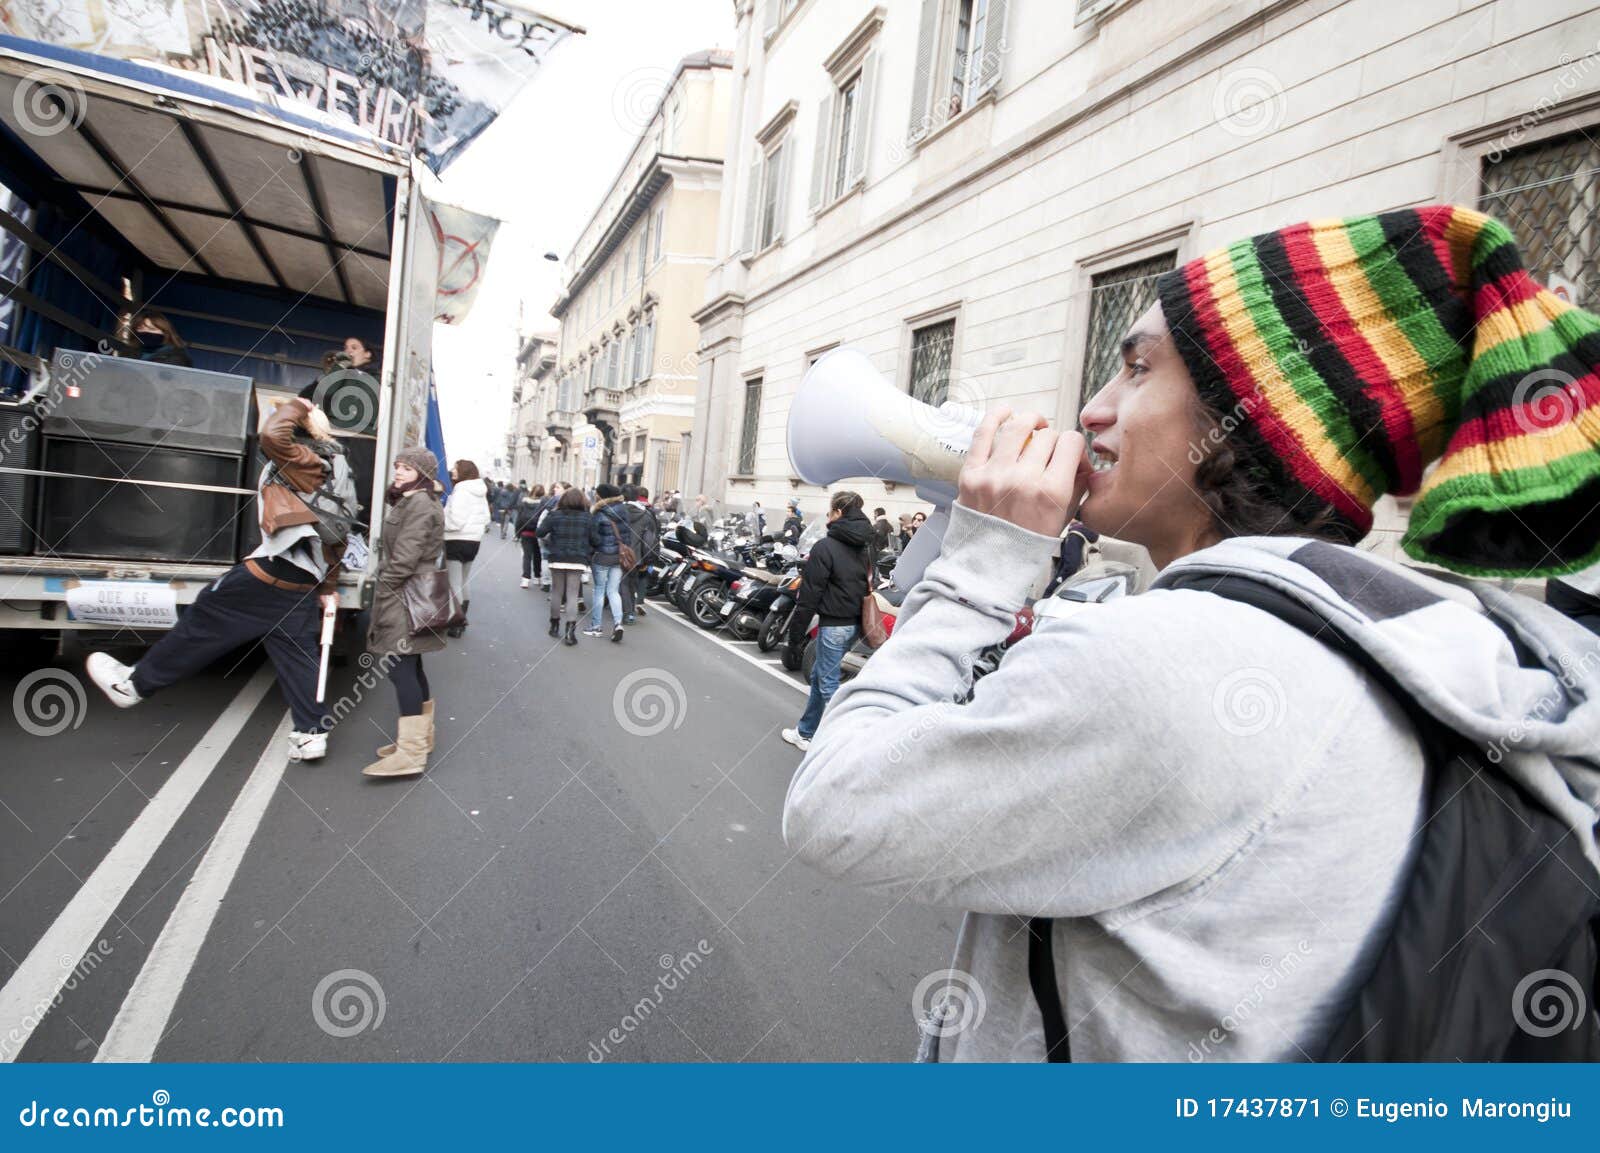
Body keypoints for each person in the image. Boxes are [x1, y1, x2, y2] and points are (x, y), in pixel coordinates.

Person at [782, 206, 1600, 1061]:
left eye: (1137, 369)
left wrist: (983, 566)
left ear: (1249, 424)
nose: (1092, 410)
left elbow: (835, 804)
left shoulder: (1165, 661)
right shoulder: (1392, 641)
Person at [85, 398, 356, 762]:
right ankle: (310, 734)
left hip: (268, 576)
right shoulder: (339, 468)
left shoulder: (303, 459)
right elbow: (338, 538)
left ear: (301, 425)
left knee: (202, 621)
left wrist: (295, 405)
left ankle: (133, 685)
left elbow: (271, 437)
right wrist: (328, 587)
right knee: (299, 660)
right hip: (302, 583)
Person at [363, 448, 447, 779]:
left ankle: (410, 753)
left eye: (407, 468)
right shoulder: (414, 500)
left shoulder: (420, 504)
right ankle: (419, 741)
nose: (398, 471)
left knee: (400, 669)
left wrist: (384, 590)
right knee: (411, 664)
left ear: (422, 473)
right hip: (411, 591)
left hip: (406, 592)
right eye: (398, 466)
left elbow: (406, 557)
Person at [780, 490, 872, 752]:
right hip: (854, 623)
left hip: (833, 624)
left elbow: (809, 597)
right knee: (822, 677)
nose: (828, 516)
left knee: (828, 684)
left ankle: (842, 743)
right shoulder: (864, 546)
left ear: (838, 513)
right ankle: (806, 732)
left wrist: (795, 637)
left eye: (829, 511)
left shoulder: (825, 547)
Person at [538, 485, 594, 646]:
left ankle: (554, 625)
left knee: (556, 591)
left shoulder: (554, 515)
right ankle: (570, 632)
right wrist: (587, 550)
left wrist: (551, 542)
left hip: (557, 557)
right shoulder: (587, 518)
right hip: (578, 559)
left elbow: (540, 532)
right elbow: (595, 539)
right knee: (572, 594)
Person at [442, 459, 489, 637]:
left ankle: (456, 623)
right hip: (473, 541)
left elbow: (456, 521)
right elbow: (486, 518)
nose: (452, 470)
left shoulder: (461, 490)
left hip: (456, 540)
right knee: (463, 580)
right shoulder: (479, 491)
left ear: (464, 472)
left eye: (456, 468)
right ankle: (462, 620)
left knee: (454, 583)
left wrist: (442, 523)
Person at [587, 483, 628, 641]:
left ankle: (596, 626)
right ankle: (618, 623)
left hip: (602, 555)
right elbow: (627, 536)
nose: (595, 495)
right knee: (613, 591)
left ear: (602, 495)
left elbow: (594, 537)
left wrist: (594, 548)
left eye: (597, 493)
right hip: (618, 556)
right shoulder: (623, 511)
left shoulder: (598, 512)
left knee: (599, 590)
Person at [619, 484, 661, 622]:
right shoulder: (646, 515)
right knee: (630, 583)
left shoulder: (617, 511)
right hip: (637, 556)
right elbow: (652, 538)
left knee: (622, 584)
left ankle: (626, 613)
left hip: (618, 553)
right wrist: (649, 559)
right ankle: (630, 612)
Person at [514, 484, 547, 589]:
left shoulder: (523, 502)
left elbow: (519, 519)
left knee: (527, 556)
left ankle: (525, 579)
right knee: (537, 555)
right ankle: (537, 577)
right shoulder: (544, 503)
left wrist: (517, 534)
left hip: (525, 532)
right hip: (538, 532)